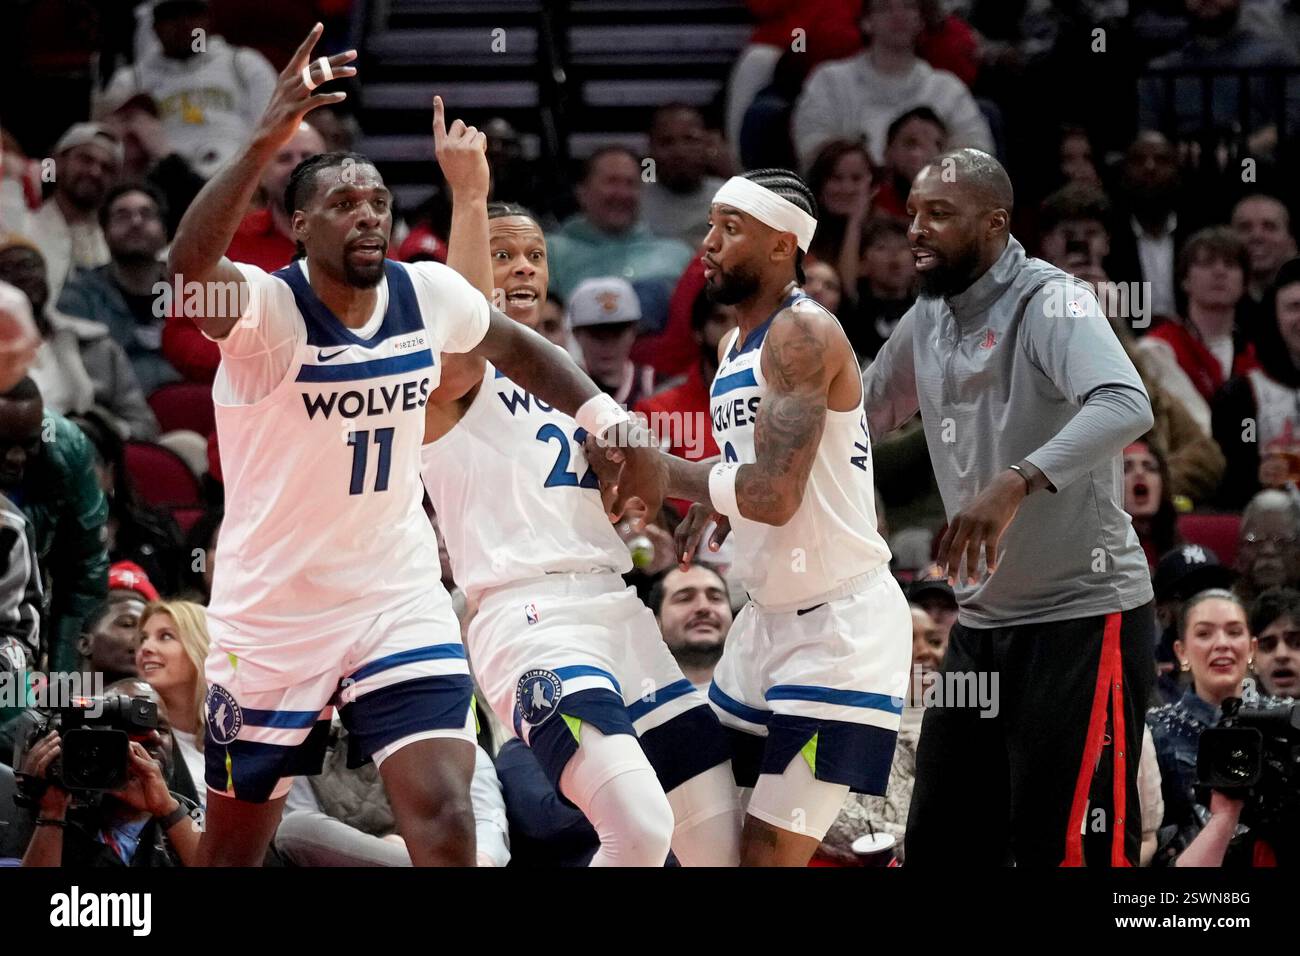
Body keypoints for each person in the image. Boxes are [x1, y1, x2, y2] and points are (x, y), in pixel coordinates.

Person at [165, 31, 664, 866]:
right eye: (344, 202)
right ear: (298, 226)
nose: (369, 213)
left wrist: (609, 419)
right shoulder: (263, 312)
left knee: (445, 821)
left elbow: (517, 346)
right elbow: (184, 273)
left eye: (380, 201)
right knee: (235, 853)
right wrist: (262, 139)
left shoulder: (425, 291)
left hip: (396, 598)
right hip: (274, 611)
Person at [420, 131, 738, 867]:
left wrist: (718, 489)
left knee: (715, 841)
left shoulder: (566, 376)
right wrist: (469, 195)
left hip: (618, 609)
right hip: (530, 618)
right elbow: (466, 339)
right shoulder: (447, 376)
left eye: (533, 253)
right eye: (502, 254)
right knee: (637, 826)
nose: (524, 266)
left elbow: (646, 459)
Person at [863, 148, 1157, 866]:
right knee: (939, 843)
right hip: (984, 622)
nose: (918, 230)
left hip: (1084, 616)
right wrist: (722, 481)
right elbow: (856, 417)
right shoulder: (928, 315)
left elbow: (1126, 403)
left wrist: (1016, 480)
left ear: (995, 223)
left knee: (1061, 849)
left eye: (940, 214)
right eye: (912, 215)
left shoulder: (1052, 301)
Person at [654, 167, 911, 867]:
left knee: (768, 858)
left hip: (839, 632)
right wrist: (711, 501)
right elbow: (756, 472)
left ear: (780, 246)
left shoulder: (802, 331)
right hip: (763, 623)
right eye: (709, 225)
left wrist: (668, 473)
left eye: (729, 229)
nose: (707, 243)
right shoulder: (734, 347)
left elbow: (776, 493)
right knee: (699, 837)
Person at [1146, 589, 1282, 866]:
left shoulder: (1285, 723)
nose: (1222, 644)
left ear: (1252, 648)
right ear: (1181, 651)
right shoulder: (1155, 732)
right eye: (1204, 634)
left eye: (1234, 632)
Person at [17, 679, 203, 867]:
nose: (153, 736)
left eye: (161, 728)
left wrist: (167, 809)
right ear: (92, 738)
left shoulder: (189, 814)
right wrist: (52, 814)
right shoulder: (52, 807)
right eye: (132, 728)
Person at [792, 0, 992, 170]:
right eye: (885, 7)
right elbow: (811, 147)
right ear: (866, 21)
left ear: (921, 20)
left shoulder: (946, 87)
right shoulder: (829, 80)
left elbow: (978, 153)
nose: (898, 16)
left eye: (908, 6)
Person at [819, 604, 943, 864]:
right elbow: (831, 821)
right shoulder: (843, 730)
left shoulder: (973, 729)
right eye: (904, 640)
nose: (924, 652)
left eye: (934, 640)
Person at [0, 237, 159, 440]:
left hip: (90, 454)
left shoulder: (97, 345)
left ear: (46, 276)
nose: (20, 276)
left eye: (28, 266)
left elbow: (143, 426)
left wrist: (105, 432)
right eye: (5, 271)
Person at [0, 378, 108, 674]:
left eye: (29, 443)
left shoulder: (67, 449)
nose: (16, 457)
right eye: (3, 444)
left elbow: (84, 578)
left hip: (19, 612)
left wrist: (63, 680)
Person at [102, 0, 278, 179]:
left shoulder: (244, 63)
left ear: (208, 19)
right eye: (171, 15)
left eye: (193, 13)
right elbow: (108, 149)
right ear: (154, 25)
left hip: (238, 176)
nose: (184, 24)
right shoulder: (131, 81)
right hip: (164, 183)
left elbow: (273, 130)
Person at [57, 182, 182, 395]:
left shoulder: (190, 289)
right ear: (104, 233)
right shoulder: (79, 296)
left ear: (164, 232)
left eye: (147, 214)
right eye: (122, 216)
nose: (135, 222)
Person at [545, 147, 694, 307]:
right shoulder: (549, 253)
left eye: (631, 184)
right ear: (582, 192)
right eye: (611, 182)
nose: (622, 194)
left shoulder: (677, 255)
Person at [1138, 227, 1257, 416]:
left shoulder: (1258, 354)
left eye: (1230, 264)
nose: (1219, 271)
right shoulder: (1158, 348)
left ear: (1245, 283)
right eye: (1207, 263)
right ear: (1185, 279)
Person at [1213, 257, 1300, 507]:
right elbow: (1231, 480)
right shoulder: (1241, 395)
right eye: (1294, 306)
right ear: (1275, 315)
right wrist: (1256, 476)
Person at [13, 124, 122, 303]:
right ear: (59, 161)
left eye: (107, 167)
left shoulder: (115, 245)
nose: (95, 172)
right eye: (85, 159)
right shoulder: (21, 225)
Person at [136, 600, 210, 808]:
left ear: (201, 645)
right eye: (143, 639)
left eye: (165, 636)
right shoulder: (141, 740)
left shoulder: (247, 732)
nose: (145, 648)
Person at [1152, 543, 1239, 704]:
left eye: (1217, 590)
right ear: (1162, 613)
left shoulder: (1245, 657)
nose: (1209, 603)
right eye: (1191, 595)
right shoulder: (1148, 678)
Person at [641, 104, 726, 248]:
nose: (679, 152)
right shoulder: (634, 202)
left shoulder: (730, 200)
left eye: (690, 140)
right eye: (667, 142)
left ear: (707, 144)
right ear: (651, 149)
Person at [568, 278, 658, 409]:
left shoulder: (655, 384)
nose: (607, 345)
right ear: (576, 335)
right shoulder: (565, 386)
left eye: (617, 334)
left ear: (634, 331)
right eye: (597, 335)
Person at [805, 140, 876, 294]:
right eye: (836, 178)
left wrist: (854, 223)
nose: (846, 188)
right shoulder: (801, 233)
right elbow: (839, 292)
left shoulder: (884, 232)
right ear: (820, 183)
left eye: (856, 178)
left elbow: (851, 293)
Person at [649, 564, 733, 690]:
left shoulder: (764, 690)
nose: (703, 607)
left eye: (715, 598)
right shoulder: (628, 699)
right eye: (684, 599)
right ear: (656, 623)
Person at [847, 217, 917, 359]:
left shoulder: (928, 313)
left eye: (903, 247)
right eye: (882, 247)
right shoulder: (853, 312)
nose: (894, 255)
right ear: (863, 264)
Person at [1230, 193, 1297, 335]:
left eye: (1269, 227)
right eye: (1245, 228)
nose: (1257, 236)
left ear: (1292, 242)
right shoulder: (1216, 303)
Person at [872, 107, 948, 220]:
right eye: (912, 143)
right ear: (888, 153)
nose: (927, 156)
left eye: (937, 145)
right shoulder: (866, 210)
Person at [1123, 438, 1182, 568]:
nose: (1139, 473)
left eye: (1149, 467)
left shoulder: (1183, 555)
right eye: (1126, 468)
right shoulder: (1099, 556)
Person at [1234, 489, 1300, 602]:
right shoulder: (1224, 608)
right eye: (1256, 540)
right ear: (1241, 550)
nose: (1268, 551)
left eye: (1282, 541)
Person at [1248, 586, 1300, 698]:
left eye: (1297, 643)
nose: (1281, 654)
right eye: (1268, 646)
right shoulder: (1231, 713)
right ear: (1253, 660)